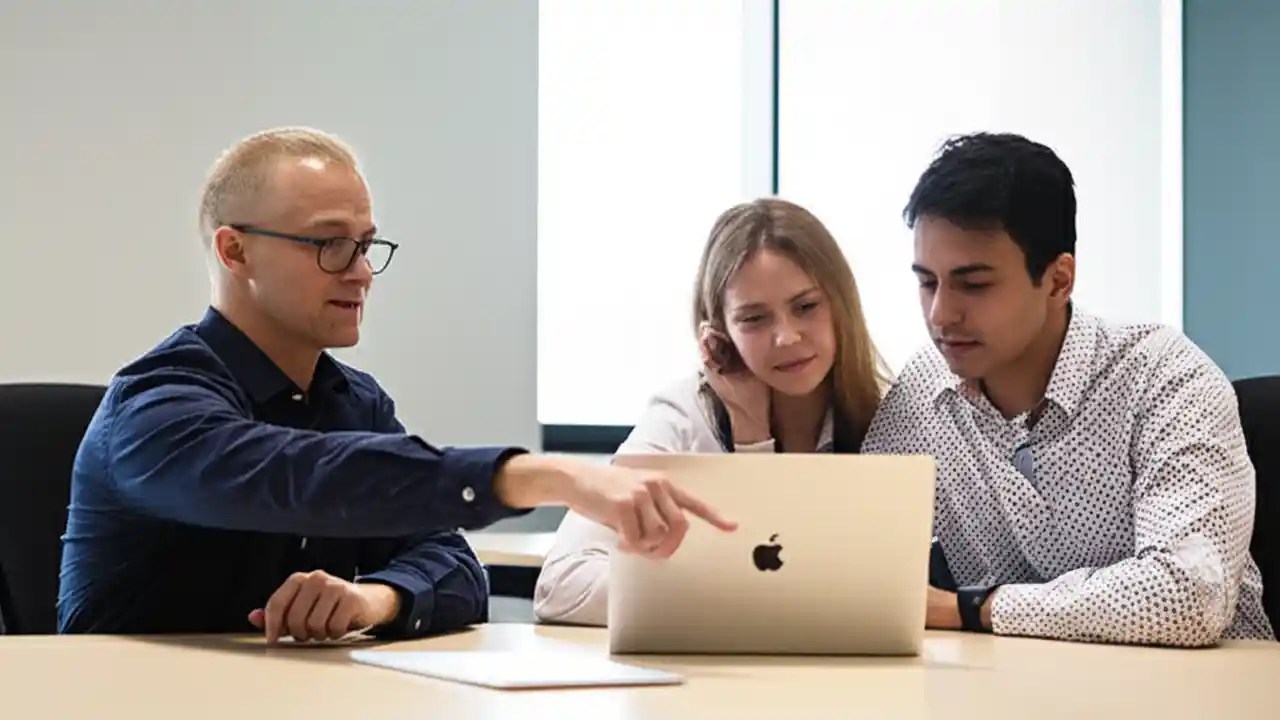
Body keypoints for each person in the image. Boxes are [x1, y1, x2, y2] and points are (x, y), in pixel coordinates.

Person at [57, 127, 735, 642]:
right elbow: (297, 476)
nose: (360, 272)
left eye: (365, 244)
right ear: (235, 251)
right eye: (329, 244)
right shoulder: (155, 406)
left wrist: (376, 598)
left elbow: (451, 564)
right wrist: (536, 476)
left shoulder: (352, 400)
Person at [862, 131, 1274, 646]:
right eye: (927, 282)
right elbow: (857, 565)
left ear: (1059, 281)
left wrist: (974, 608)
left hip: (1196, 691)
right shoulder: (924, 389)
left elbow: (1188, 598)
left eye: (974, 284)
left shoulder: (1165, 376)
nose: (941, 314)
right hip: (1009, 689)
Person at [534, 198, 889, 626]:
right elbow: (560, 587)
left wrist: (727, 594)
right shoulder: (683, 417)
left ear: (841, 304)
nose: (787, 337)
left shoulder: (890, 413)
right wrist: (749, 431)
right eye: (754, 319)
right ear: (718, 333)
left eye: (806, 307)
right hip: (712, 686)